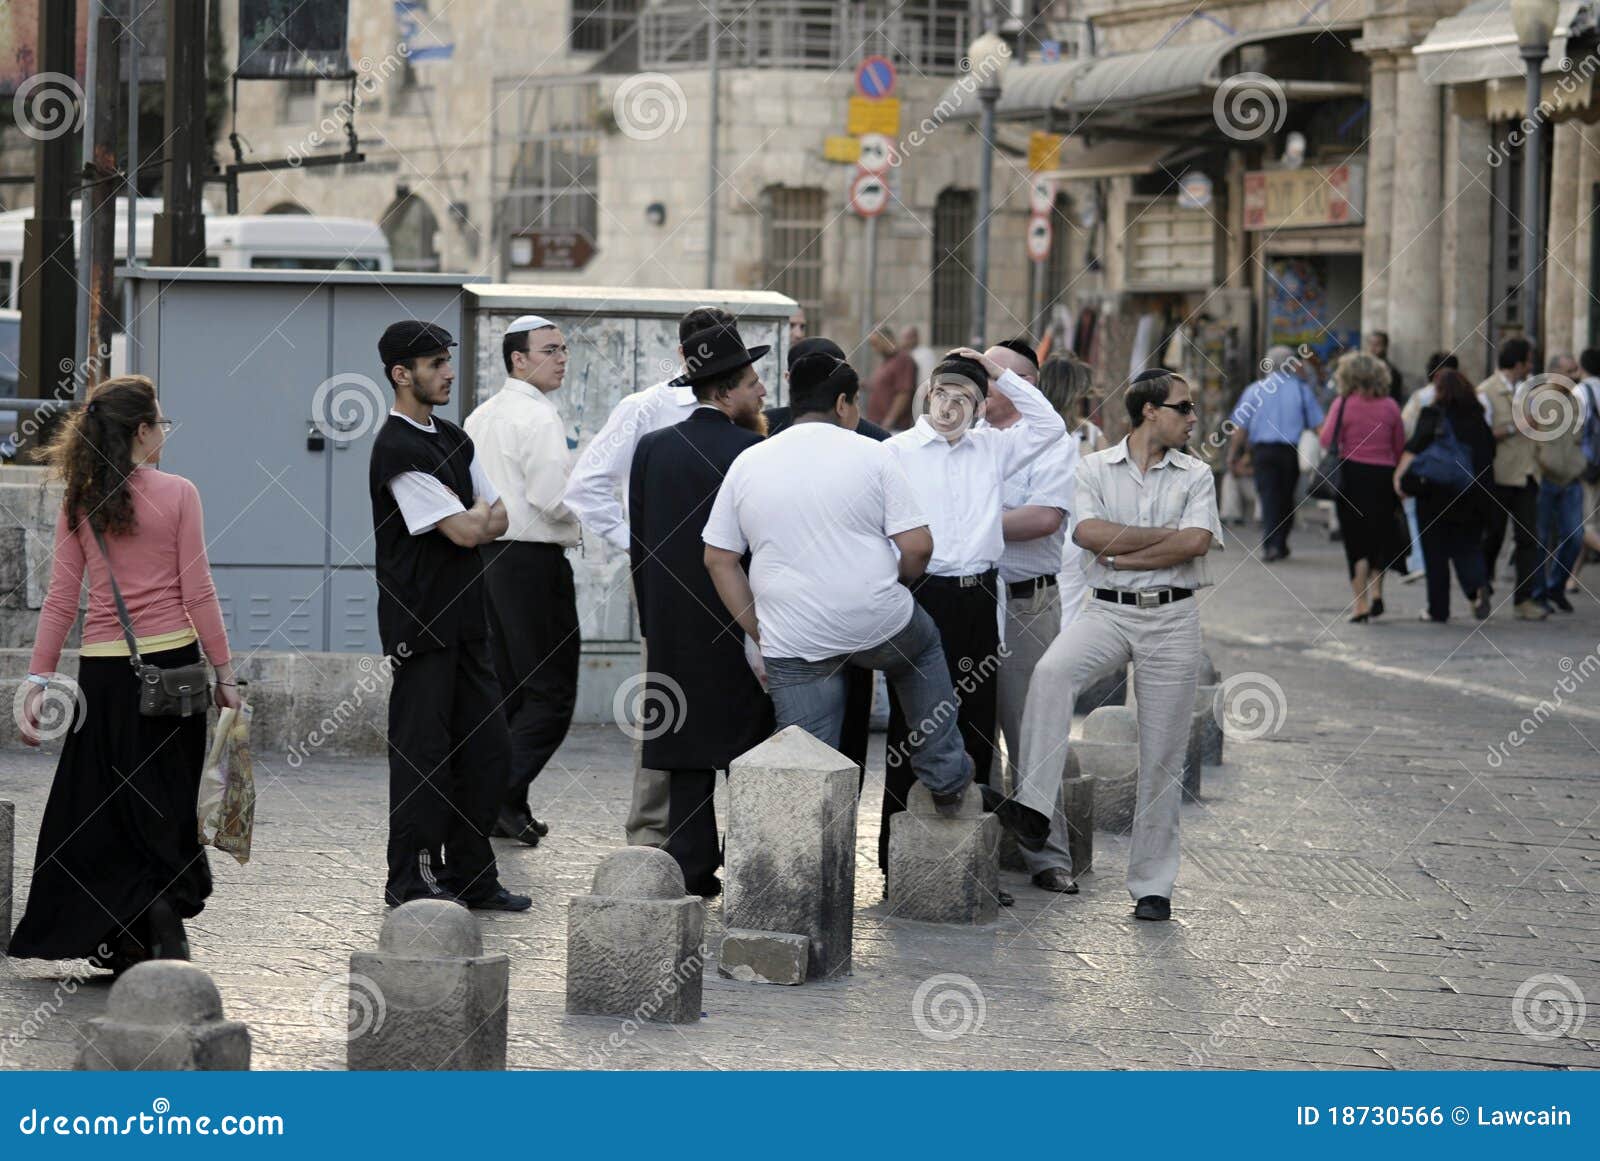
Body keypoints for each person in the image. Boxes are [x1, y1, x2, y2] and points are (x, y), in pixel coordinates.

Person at [702, 351, 1042, 859]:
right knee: (924, 651)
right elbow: (919, 547)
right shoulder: (873, 453)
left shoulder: (750, 459)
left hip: (793, 635)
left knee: (805, 756)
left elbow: (718, 559)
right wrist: (897, 584)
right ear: (844, 404)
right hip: (877, 620)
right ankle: (948, 777)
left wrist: (759, 630)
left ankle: (788, 863)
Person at [11, 376, 240, 973]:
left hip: (106, 677)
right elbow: (199, 591)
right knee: (166, 800)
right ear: (141, 431)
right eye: (160, 423)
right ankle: (161, 919)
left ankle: (126, 938)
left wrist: (38, 681)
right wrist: (225, 673)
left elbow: (63, 600)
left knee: (104, 807)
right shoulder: (181, 493)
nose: (165, 432)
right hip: (175, 674)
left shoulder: (81, 499)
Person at [1012, 369, 1222, 918]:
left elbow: (1196, 541)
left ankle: (1153, 885)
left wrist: (1126, 552)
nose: (1193, 417)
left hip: (1173, 617)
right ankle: (1034, 807)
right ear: (1150, 410)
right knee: (1052, 672)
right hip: (1106, 610)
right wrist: (1163, 541)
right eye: (1184, 407)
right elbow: (1087, 534)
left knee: (1162, 755)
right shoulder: (1094, 467)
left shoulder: (1196, 473)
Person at [880, 346, 1065, 875]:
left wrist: (998, 371)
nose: (950, 405)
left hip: (981, 595)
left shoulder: (994, 449)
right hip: (923, 592)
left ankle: (971, 865)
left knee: (975, 724)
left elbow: (1049, 425)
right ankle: (900, 862)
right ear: (927, 396)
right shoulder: (896, 452)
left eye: (964, 397)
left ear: (982, 406)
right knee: (912, 724)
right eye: (942, 393)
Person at [563, 306, 740, 847]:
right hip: (672, 580)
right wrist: (643, 548)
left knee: (741, 697)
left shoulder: (745, 407)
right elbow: (586, 487)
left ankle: (729, 837)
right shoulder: (646, 408)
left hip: (740, 573)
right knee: (668, 696)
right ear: (684, 354)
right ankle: (653, 833)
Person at [369, 320, 530, 912]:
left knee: (488, 751)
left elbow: (502, 516)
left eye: (447, 361)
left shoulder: (455, 439)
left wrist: (475, 517)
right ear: (401, 374)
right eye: (435, 364)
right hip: (421, 629)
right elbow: (468, 530)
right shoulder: (396, 447)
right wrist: (474, 516)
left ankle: (471, 876)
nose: (447, 372)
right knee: (423, 756)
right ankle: (408, 877)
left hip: (469, 622)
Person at [629, 322, 775, 897]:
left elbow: (639, 542)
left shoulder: (652, 449)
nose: (761, 392)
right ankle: (747, 860)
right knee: (748, 741)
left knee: (686, 743)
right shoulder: (753, 451)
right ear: (725, 392)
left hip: (672, 618)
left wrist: (652, 618)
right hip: (736, 613)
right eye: (753, 382)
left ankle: (689, 860)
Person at [464, 315, 580, 847]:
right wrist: (585, 521)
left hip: (488, 560)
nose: (561, 358)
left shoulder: (480, 415)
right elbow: (553, 497)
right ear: (518, 360)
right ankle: (493, 797)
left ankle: (509, 806)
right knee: (551, 696)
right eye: (549, 349)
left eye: (562, 348)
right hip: (532, 565)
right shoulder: (538, 417)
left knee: (508, 691)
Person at [763, 335, 889, 781]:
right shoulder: (875, 441)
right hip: (846, 613)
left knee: (799, 738)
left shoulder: (763, 435)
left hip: (787, 616)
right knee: (825, 740)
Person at [988, 343, 1081, 894]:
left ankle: (1047, 854)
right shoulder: (972, 439)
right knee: (972, 733)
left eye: (990, 376)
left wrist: (972, 519)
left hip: (1028, 604)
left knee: (1031, 731)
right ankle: (977, 851)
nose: (980, 387)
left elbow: (1044, 518)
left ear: (1021, 383)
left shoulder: (1051, 442)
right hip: (972, 599)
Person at [1395, 369, 1495, 623]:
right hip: (1472, 492)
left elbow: (1415, 446)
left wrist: (1400, 479)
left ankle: (1438, 609)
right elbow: (1490, 453)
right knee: (1466, 546)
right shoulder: (1478, 417)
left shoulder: (1432, 414)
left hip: (1434, 492)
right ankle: (1476, 588)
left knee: (1435, 551)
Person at [1319, 351, 1407, 621]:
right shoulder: (1391, 406)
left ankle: (1361, 604)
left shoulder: (1343, 404)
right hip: (1383, 477)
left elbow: (1325, 440)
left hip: (1351, 477)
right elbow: (1400, 445)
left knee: (1355, 541)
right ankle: (1378, 592)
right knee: (1379, 536)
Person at [1227, 346, 1324, 561]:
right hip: (1290, 452)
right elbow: (1319, 425)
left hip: (1263, 452)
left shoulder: (1254, 389)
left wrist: (1233, 454)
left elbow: (1240, 427)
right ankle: (1278, 542)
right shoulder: (1301, 390)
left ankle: (1273, 543)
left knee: (1268, 494)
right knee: (1286, 496)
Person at [1478, 337, 1547, 620]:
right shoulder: (1486, 392)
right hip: (1499, 476)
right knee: (1492, 536)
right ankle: (1482, 589)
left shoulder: (1528, 391)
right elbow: (1482, 437)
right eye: (1529, 361)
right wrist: (1516, 426)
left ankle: (1524, 599)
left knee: (1529, 538)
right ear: (1518, 364)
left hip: (1528, 473)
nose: (1531, 367)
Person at [1529, 355, 1587, 614]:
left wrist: (1580, 465)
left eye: (1575, 370)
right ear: (1554, 372)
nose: (1575, 375)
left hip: (1571, 479)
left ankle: (1556, 585)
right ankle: (1539, 592)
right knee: (1541, 539)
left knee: (1575, 537)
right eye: (1569, 370)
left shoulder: (1576, 401)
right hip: (1544, 479)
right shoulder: (1537, 400)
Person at [863, 325, 919, 432]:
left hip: (892, 428)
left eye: (875, 344)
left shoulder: (903, 359)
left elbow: (904, 393)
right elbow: (882, 386)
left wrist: (889, 421)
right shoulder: (886, 361)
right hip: (878, 424)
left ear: (886, 339)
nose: (874, 349)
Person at [1365, 331, 1406, 400]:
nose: (1373, 348)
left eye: (1377, 345)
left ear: (1385, 347)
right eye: (1371, 344)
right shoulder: (1361, 369)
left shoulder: (1392, 372)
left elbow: (1394, 398)